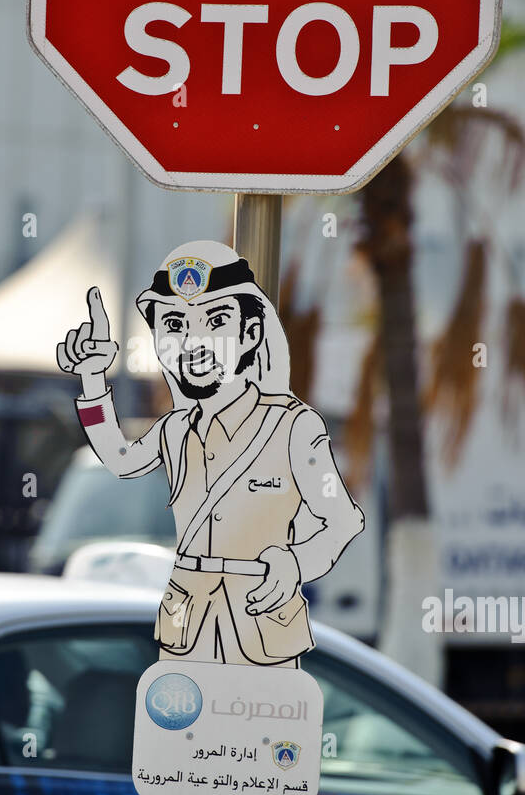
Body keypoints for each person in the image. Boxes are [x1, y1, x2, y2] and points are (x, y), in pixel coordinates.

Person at [57, 240, 364, 666]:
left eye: (217, 320)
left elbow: (343, 520)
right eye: (175, 323)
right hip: (186, 619)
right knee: (173, 727)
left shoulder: (293, 426)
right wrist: (93, 379)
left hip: (263, 620)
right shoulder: (177, 427)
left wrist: (294, 564)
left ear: (251, 334)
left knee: (265, 732)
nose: (195, 342)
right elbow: (122, 459)